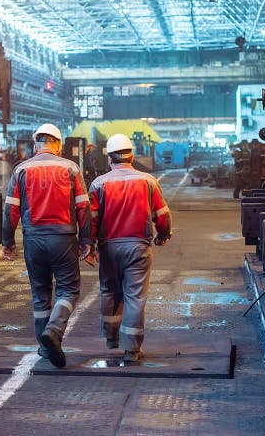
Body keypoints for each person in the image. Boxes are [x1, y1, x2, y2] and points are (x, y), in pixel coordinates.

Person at [2, 123, 93, 368]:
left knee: (40, 295)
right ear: (59, 145)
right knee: (69, 290)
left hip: (33, 239)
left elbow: (11, 209)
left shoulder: (21, 169)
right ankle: (53, 331)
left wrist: (7, 241)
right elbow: (83, 208)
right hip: (63, 238)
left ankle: (44, 347)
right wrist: (86, 241)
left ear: (36, 145)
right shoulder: (70, 168)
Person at [89, 133, 172, 363]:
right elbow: (162, 214)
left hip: (108, 248)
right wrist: (163, 234)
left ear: (109, 159)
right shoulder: (148, 181)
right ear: (132, 156)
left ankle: (111, 338)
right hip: (138, 247)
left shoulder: (99, 184)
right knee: (134, 297)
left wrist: (89, 244)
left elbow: (91, 219)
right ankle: (132, 349)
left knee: (109, 291)